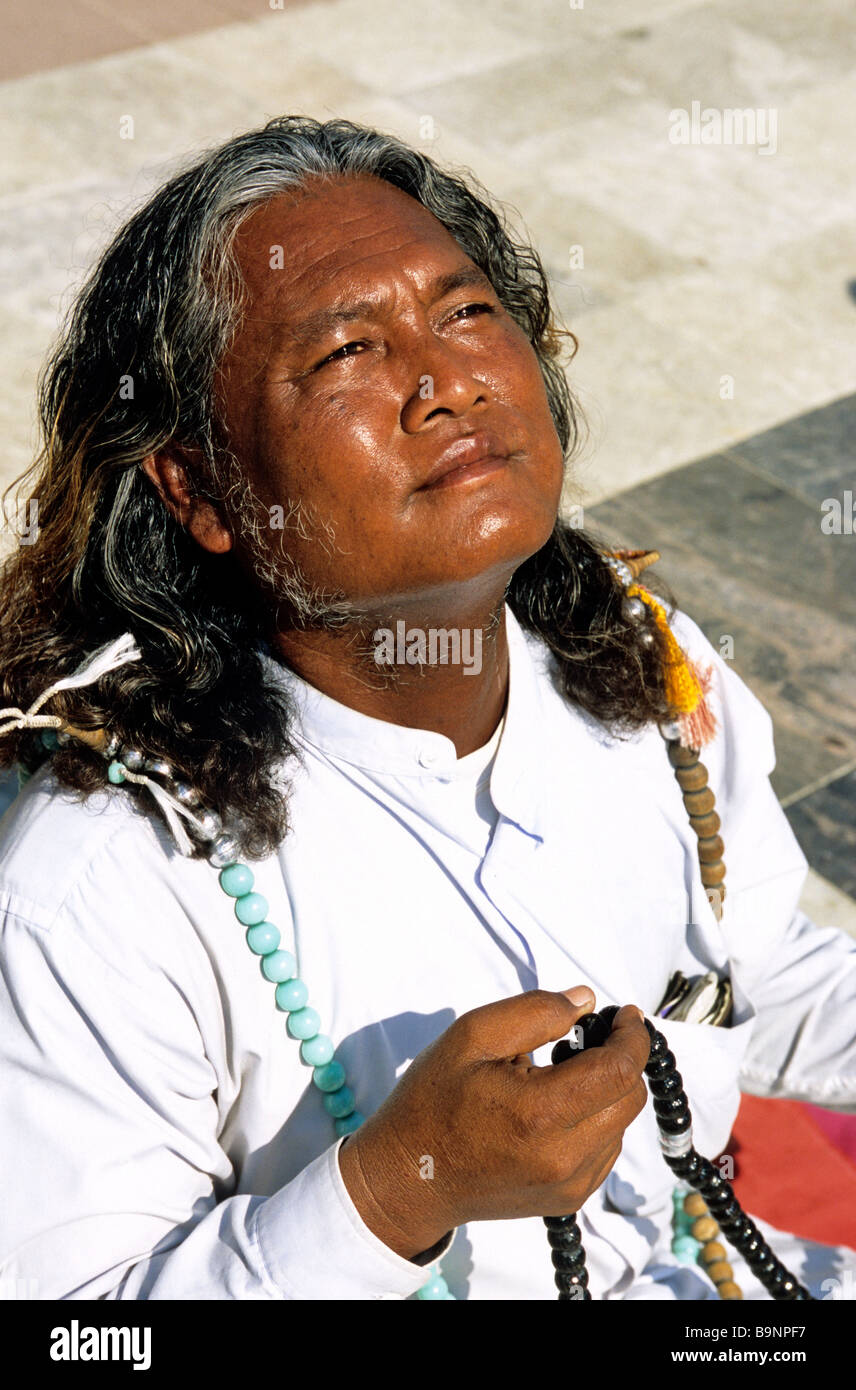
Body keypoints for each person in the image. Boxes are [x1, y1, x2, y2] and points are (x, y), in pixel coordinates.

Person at [0, 116, 853, 1302]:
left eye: (465, 313)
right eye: (348, 350)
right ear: (202, 489)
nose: (446, 381)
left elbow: (756, 968)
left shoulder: (639, 666)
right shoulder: (102, 879)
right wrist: (399, 1188)